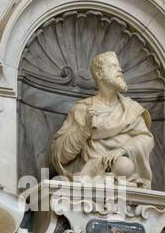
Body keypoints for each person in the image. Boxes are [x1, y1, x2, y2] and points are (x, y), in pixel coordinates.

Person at [49, 51, 154, 185]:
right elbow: (60, 155)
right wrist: (84, 131)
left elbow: (146, 139)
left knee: (124, 165)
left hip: (124, 171)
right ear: (99, 74)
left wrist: (122, 150)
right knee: (123, 166)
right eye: (113, 66)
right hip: (91, 170)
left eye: (119, 66)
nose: (120, 70)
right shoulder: (83, 109)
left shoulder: (131, 109)